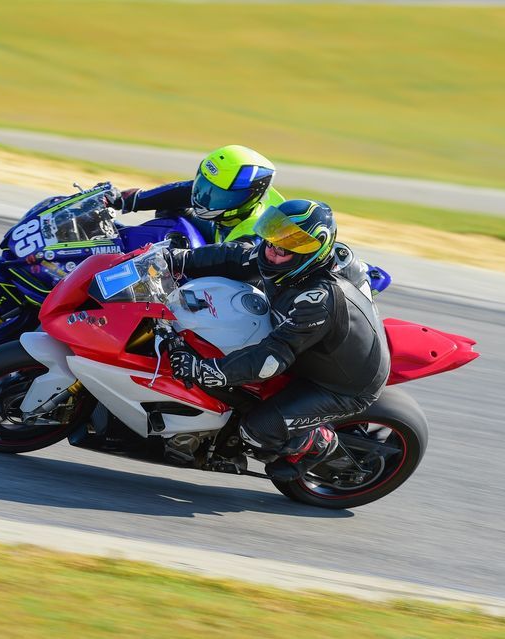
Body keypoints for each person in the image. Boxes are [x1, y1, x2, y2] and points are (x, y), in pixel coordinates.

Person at [166, 199, 390, 481]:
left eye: (286, 246)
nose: (272, 251)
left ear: (312, 250)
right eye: (272, 240)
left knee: (256, 431)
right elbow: (234, 257)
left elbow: (271, 358)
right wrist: (177, 259)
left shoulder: (317, 299)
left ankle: (317, 444)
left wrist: (206, 371)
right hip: (312, 348)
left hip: (340, 385)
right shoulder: (280, 259)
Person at [111, 144, 285, 245]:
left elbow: (221, 266)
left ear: (247, 198)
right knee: (172, 211)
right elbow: (188, 191)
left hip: (236, 278)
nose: (204, 198)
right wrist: (132, 200)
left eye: (218, 195)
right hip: (221, 231)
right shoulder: (232, 203)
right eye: (204, 185)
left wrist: (177, 259)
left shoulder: (258, 235)